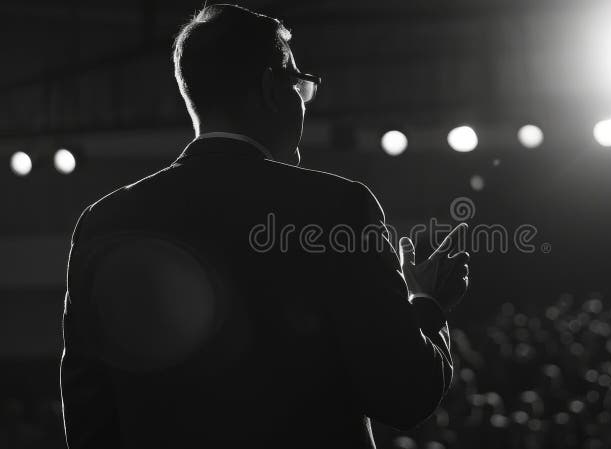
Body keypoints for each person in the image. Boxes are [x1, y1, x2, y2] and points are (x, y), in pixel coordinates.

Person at [60, 4, 470, 448]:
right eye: (298, 82)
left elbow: (90, 420)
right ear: (270, 88)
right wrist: (427, 303)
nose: (302, 98)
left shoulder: (104, 221)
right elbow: (404, 394)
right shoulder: (337, 207)